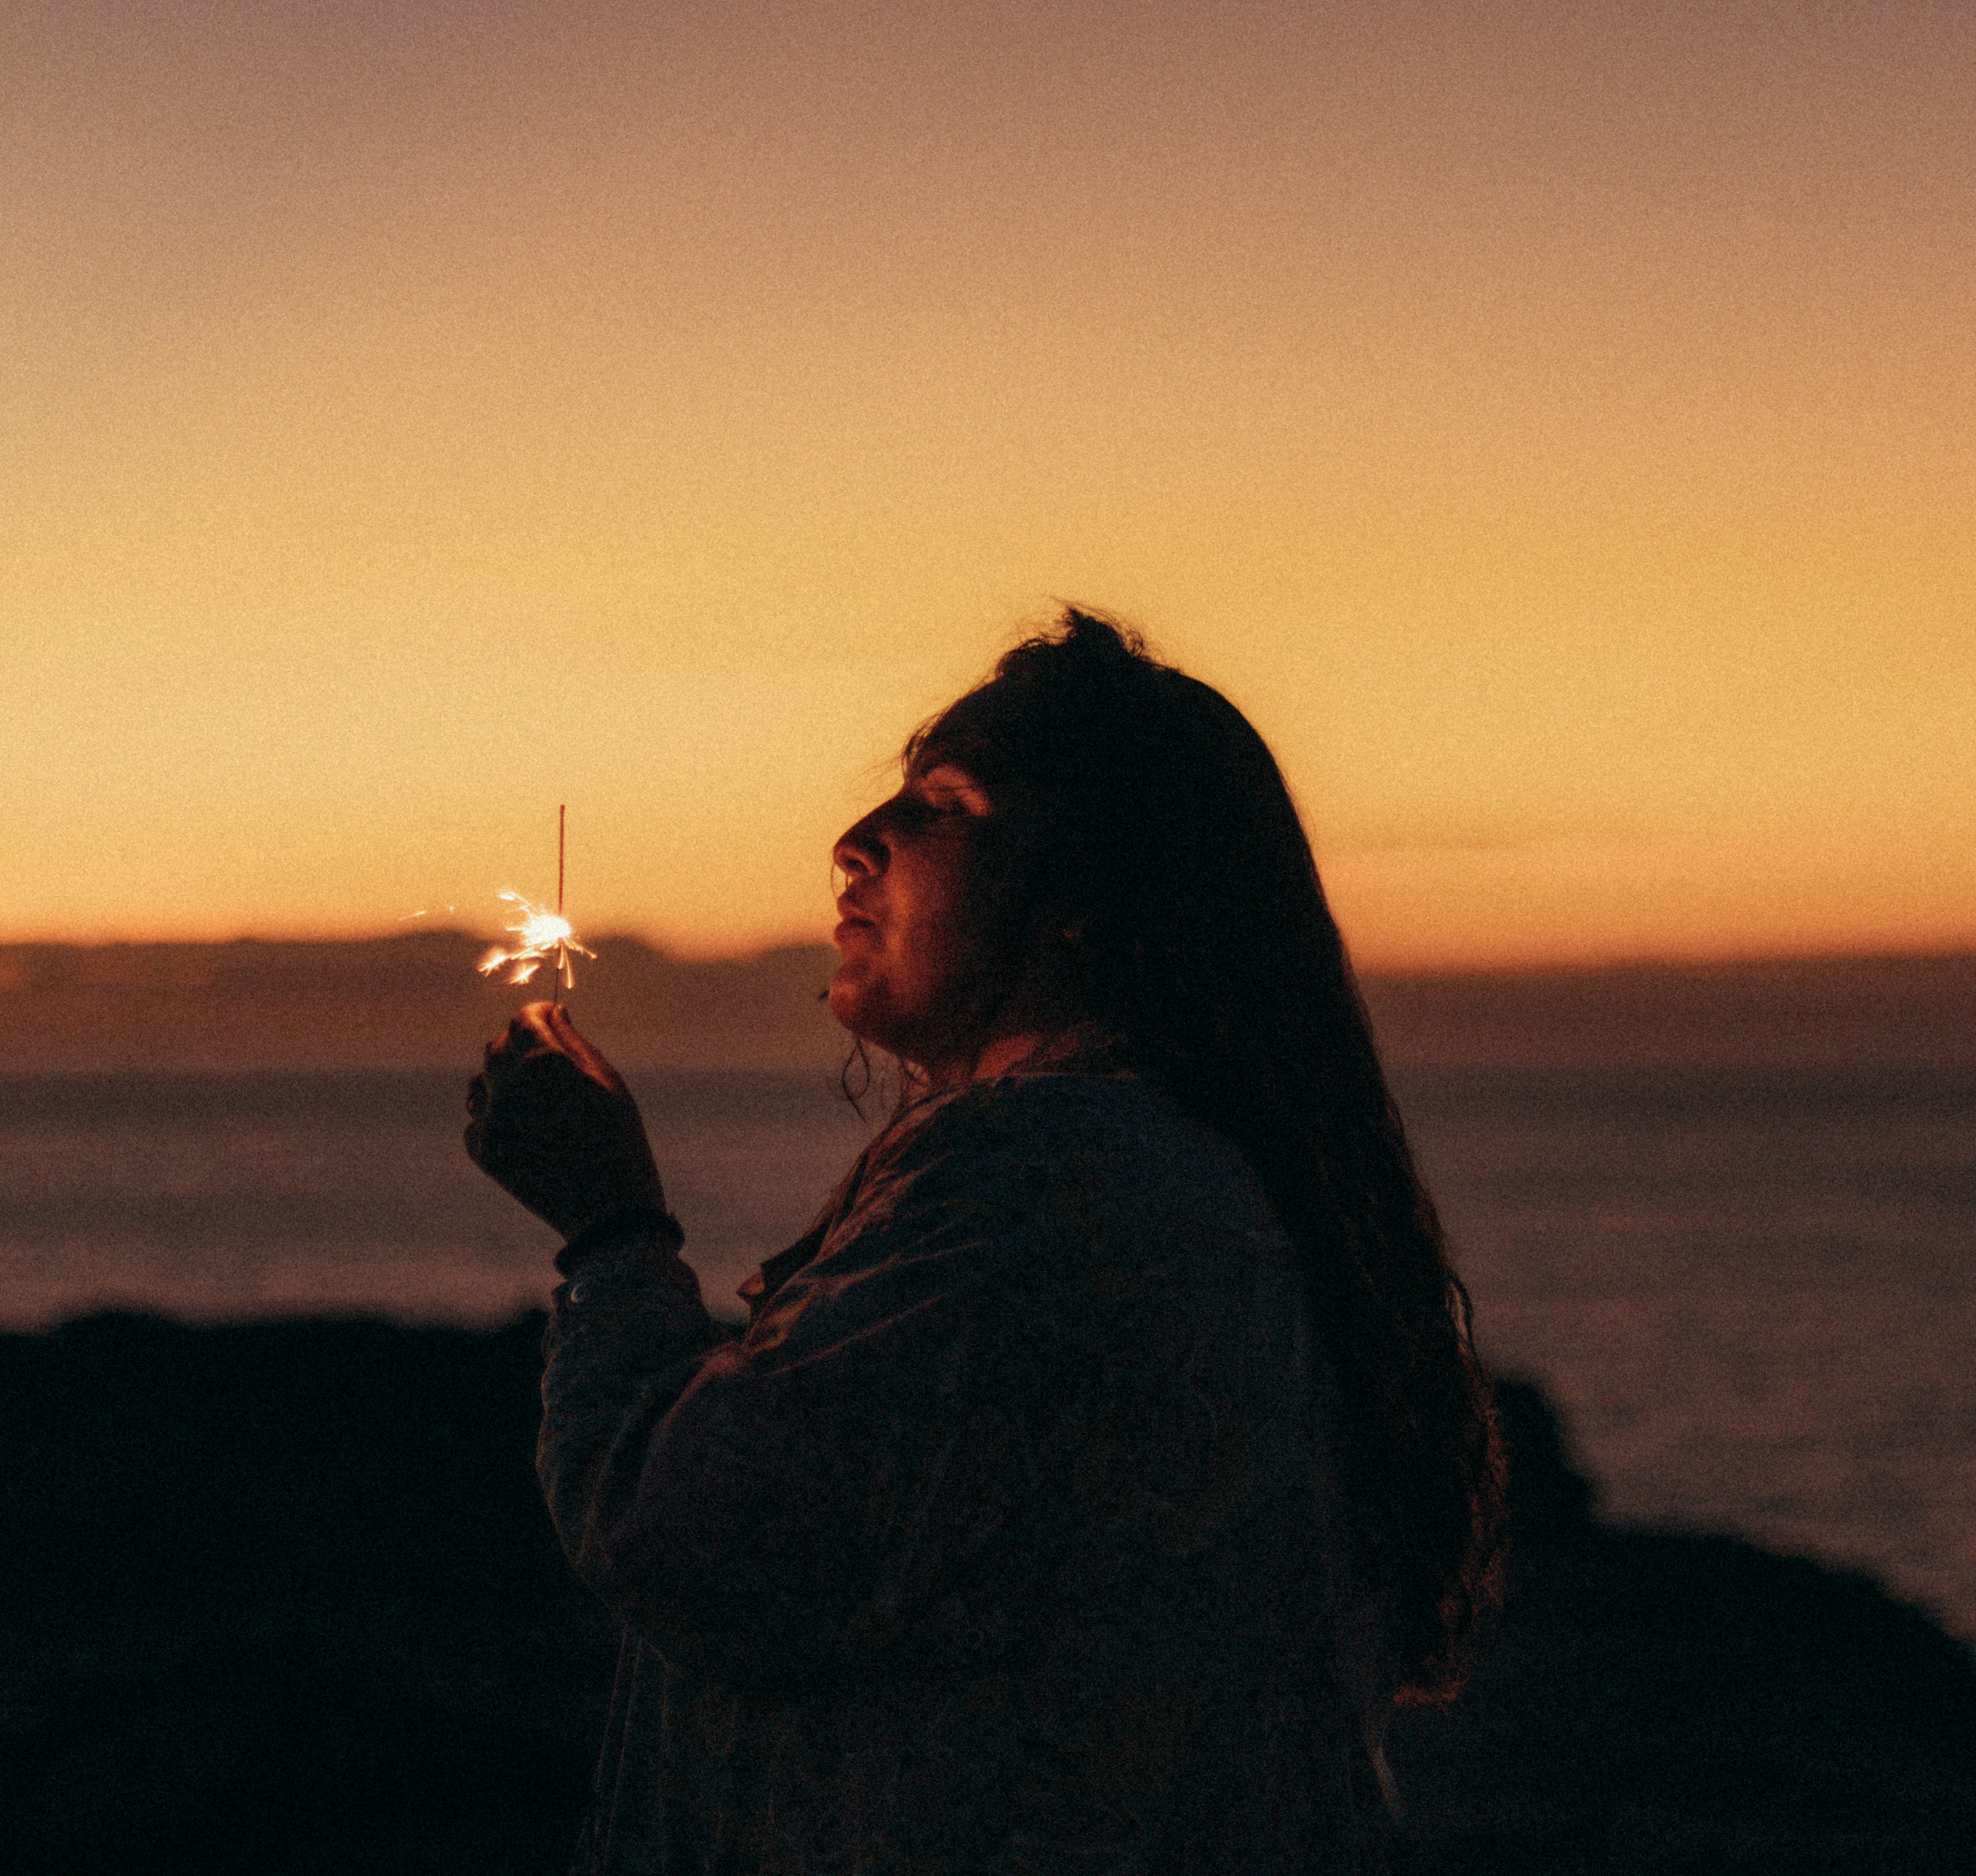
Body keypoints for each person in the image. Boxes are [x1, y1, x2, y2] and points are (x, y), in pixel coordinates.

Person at [465, 610, 1505, 1875]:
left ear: (1084, 893)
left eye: (940, 806)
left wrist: (613, 1232)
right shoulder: (1174, 1174)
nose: (855, 845)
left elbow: (697, 1543)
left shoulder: (1046, 1182)